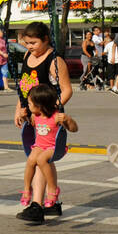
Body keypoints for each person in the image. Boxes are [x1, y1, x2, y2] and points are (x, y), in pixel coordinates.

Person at [13, 20, 73, 223]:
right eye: (27, 43)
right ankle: (52, 203)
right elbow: (23, 87)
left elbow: (66, 90)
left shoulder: (55, 60)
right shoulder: (27, 56)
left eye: (34, 43)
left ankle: (36, 205)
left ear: (46, 40)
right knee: (38, 158)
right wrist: (19, 109)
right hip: (31, 116)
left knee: (40, 160)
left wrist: (49, 110)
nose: (30, 47)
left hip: (47, 118)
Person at [19, 83, 78, 217]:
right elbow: (30, 124)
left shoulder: (57, 116)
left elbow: (74, 129)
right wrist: (23, 117)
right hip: (40, 146)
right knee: (31, 160)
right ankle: (27, 188)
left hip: (54, 148)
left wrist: (68, 120)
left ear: (40, 105)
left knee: (41, 159)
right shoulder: (35, 116)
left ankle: (52, 188)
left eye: (30, 103)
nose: (28, 106)